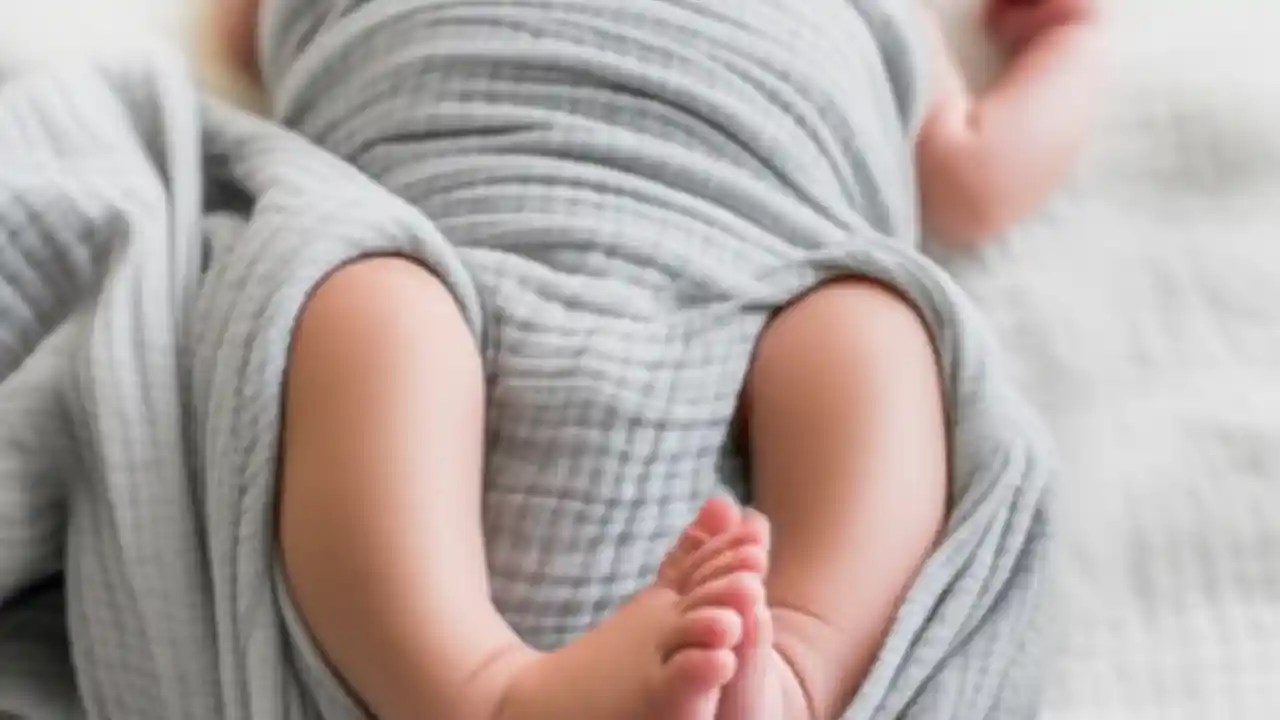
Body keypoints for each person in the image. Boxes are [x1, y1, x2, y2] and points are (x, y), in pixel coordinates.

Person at [216, 0, 1097, 717]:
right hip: (450, 242)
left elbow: (971, 169)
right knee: (366, 306)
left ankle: (793, 665)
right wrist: (1070, 45)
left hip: (753, 268)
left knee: (873, 328)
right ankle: (485, 692)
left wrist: (1070, 47)